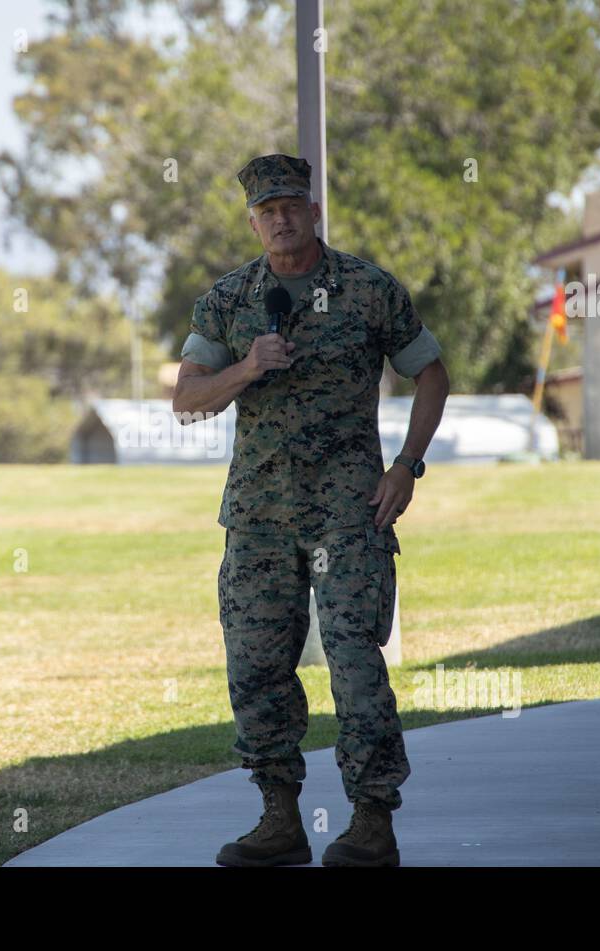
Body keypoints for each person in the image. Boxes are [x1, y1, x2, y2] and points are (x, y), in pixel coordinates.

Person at [172, 153, 449, 866]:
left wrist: (408, 467)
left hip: (350, 511)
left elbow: (431, 372)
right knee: (256, 665)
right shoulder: (228, 300)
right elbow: (186, 400)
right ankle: (278, 820)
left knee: (355, 662)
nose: (280, 218)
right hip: (259, 516)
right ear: (253, 220)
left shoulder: (367, 288)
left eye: (290, 204)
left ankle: (372, 821)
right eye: (266, 210)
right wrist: (246, 367)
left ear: (313, 209)